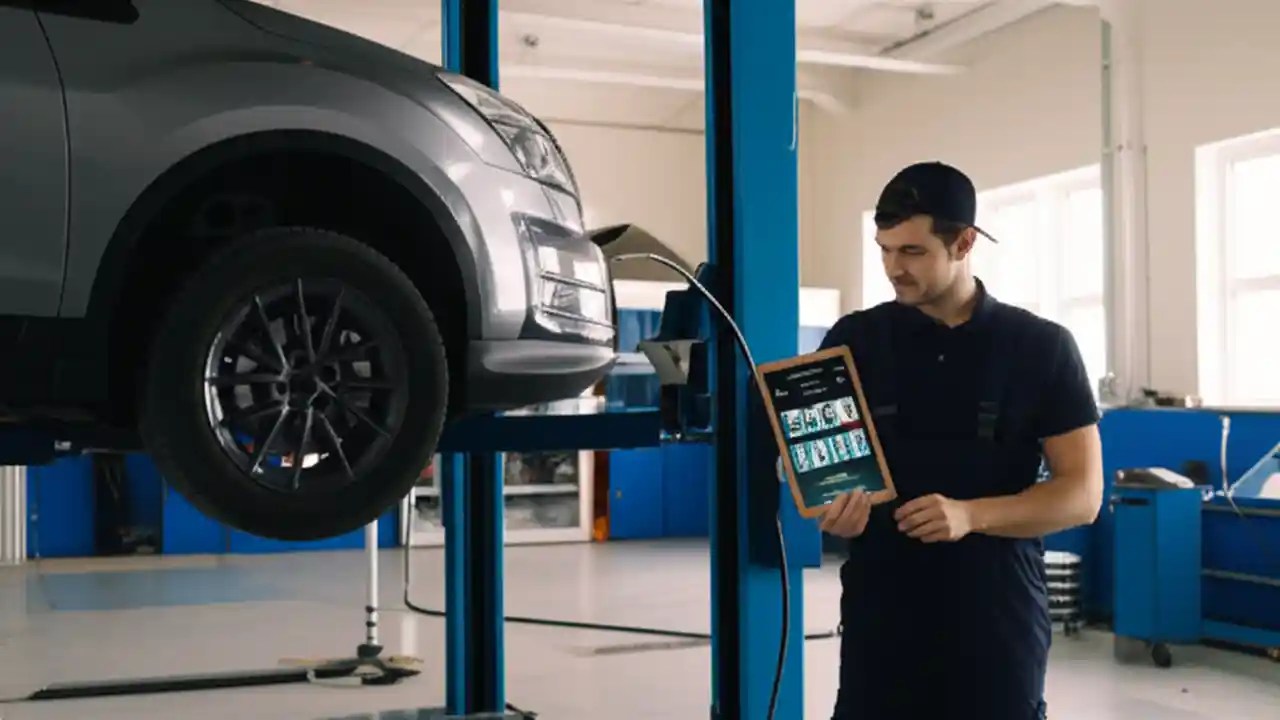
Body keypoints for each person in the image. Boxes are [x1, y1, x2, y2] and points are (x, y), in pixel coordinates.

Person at [817, 162, 1104, 720]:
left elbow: (1082, 495)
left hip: (996, 624)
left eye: (913, 251)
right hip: (882, 619)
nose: (894, 268)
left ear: (964, 242)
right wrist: (833, 509)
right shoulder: (854, 340)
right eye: (884, 250)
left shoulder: (1040, 348)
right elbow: (818, 469)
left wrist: (971, 515)